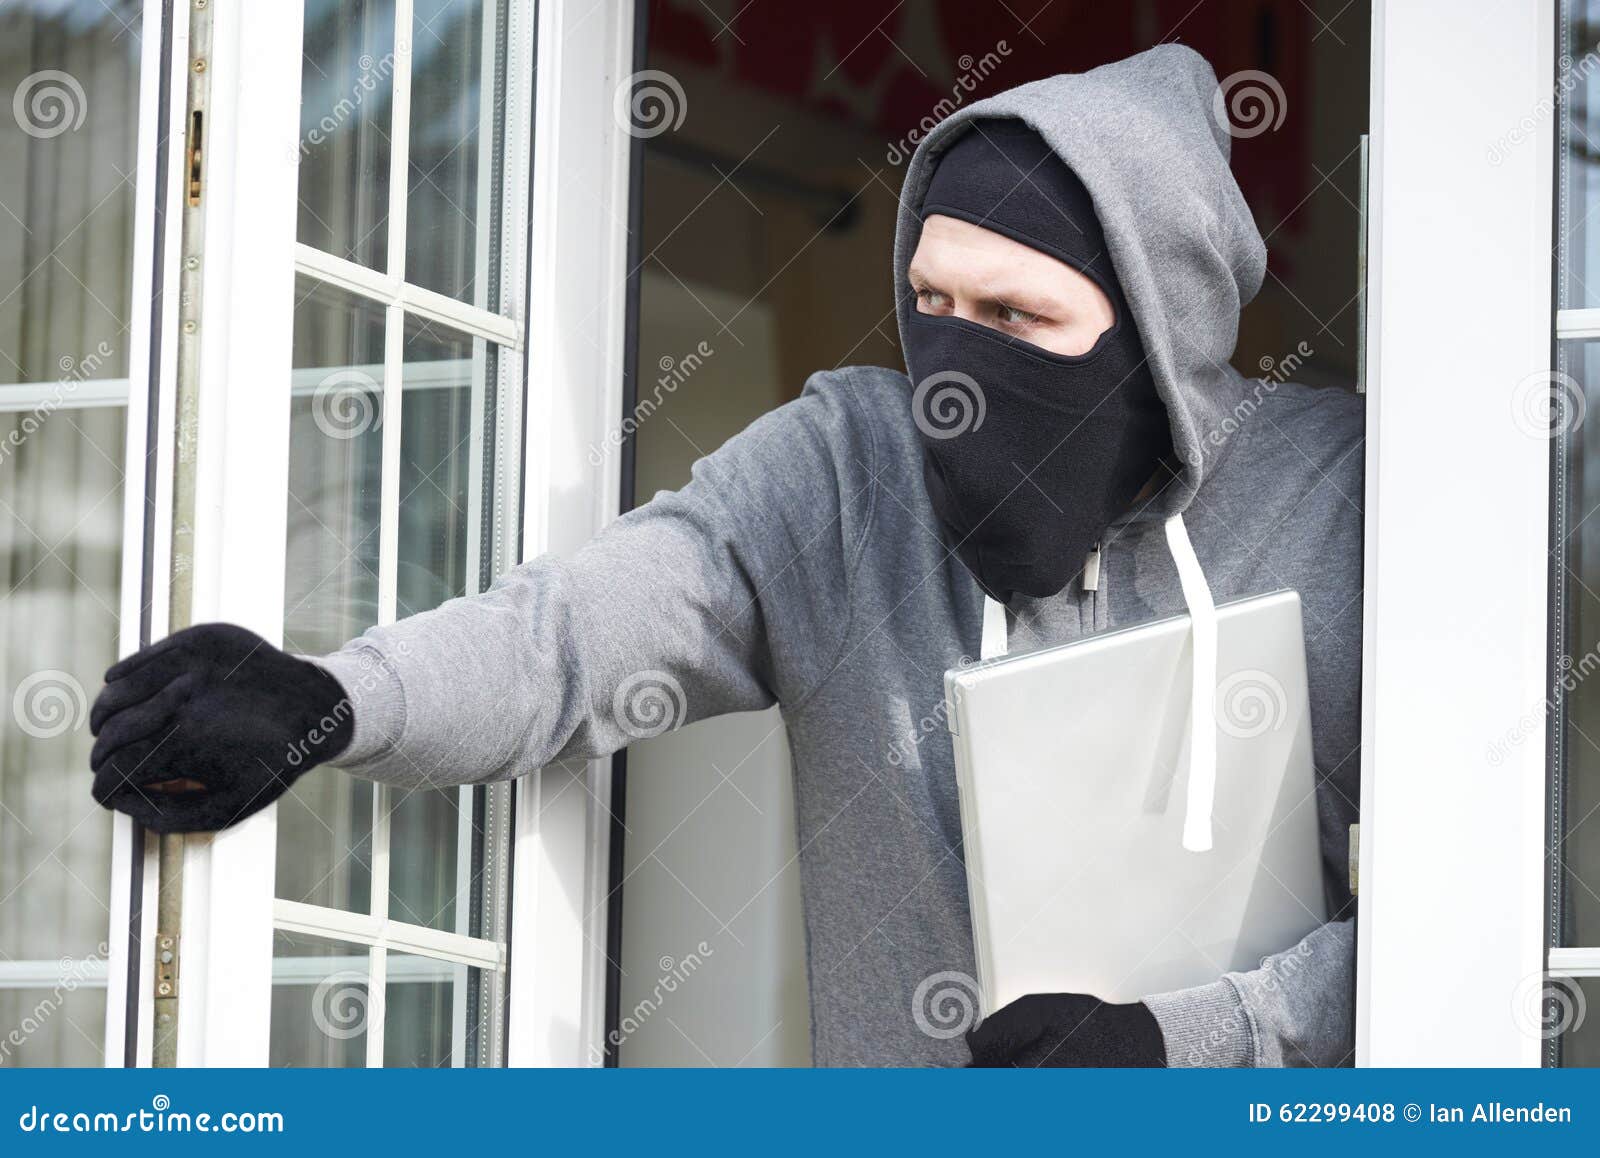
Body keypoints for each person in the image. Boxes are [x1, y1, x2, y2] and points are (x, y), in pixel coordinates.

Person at [88, 45, 1362, 1068]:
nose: (959, 372)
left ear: (1156, 319)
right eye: (932, 304)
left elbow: (1469, 900)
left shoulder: (1345, 496)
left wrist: (1183, 1044)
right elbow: (573, 634)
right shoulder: (848, 469)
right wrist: (337, 699)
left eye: (1017, 317)